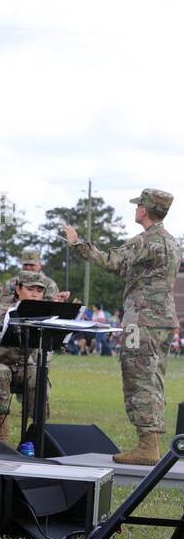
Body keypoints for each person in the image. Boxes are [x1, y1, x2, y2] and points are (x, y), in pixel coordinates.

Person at [65, 187, 182, 464]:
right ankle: (150, 442)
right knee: (153, 381)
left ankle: (147, 447)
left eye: (138, 205)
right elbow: (126, 269)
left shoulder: (145, 240)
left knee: (137, 378)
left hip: (140, 321)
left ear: (144, 209)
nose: (136, 209)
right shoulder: (171, 242)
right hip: (163, 321)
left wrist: (76, 243)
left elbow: (110, 260)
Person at [0, 271, 49, 443]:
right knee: (1, 371)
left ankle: (37, 434)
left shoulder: (43, 316)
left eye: (39, 290)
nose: (35, 293)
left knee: (38, 374)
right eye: (30, 289)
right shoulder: (4, 312)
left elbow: (38, 356)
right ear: (18, 290)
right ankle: (2, 436)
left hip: (20, 368)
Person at [0, 248, 68, 308]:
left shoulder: (50, 284)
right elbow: (1, 302)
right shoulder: (11, 283)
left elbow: (53, 306)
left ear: (40, 265)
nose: (28, 267)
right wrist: (19, 298)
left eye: (31, 265)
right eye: (25, 264)